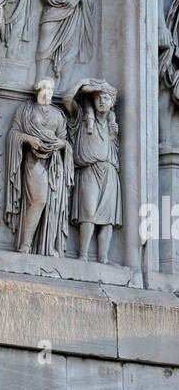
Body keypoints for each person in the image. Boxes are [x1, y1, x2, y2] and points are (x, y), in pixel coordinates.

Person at [4, 77, 74, 256]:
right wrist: (29, 139)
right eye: (46, 89)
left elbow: (65, 140)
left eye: (51, 89)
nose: (49, 93)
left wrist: (60, 144)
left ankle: (47, 245)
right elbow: (14, 133)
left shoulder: (58, 115)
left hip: (54, 162)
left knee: (52, 204)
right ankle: (25, 244)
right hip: (33, 160)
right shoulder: (26, 110)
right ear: (38, 90)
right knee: (39, 199)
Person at [62, 79, 121, 263]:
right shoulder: (81, 117)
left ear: (112, 103)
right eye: (98, 98)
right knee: (88, 212)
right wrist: (81, 82)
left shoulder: (113, 126)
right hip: (88, 169)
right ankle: (83, 255)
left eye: (105, 98)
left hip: (110, 171)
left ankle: (103, 259)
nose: (101, 101)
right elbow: (66, 99)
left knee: (108, 217)